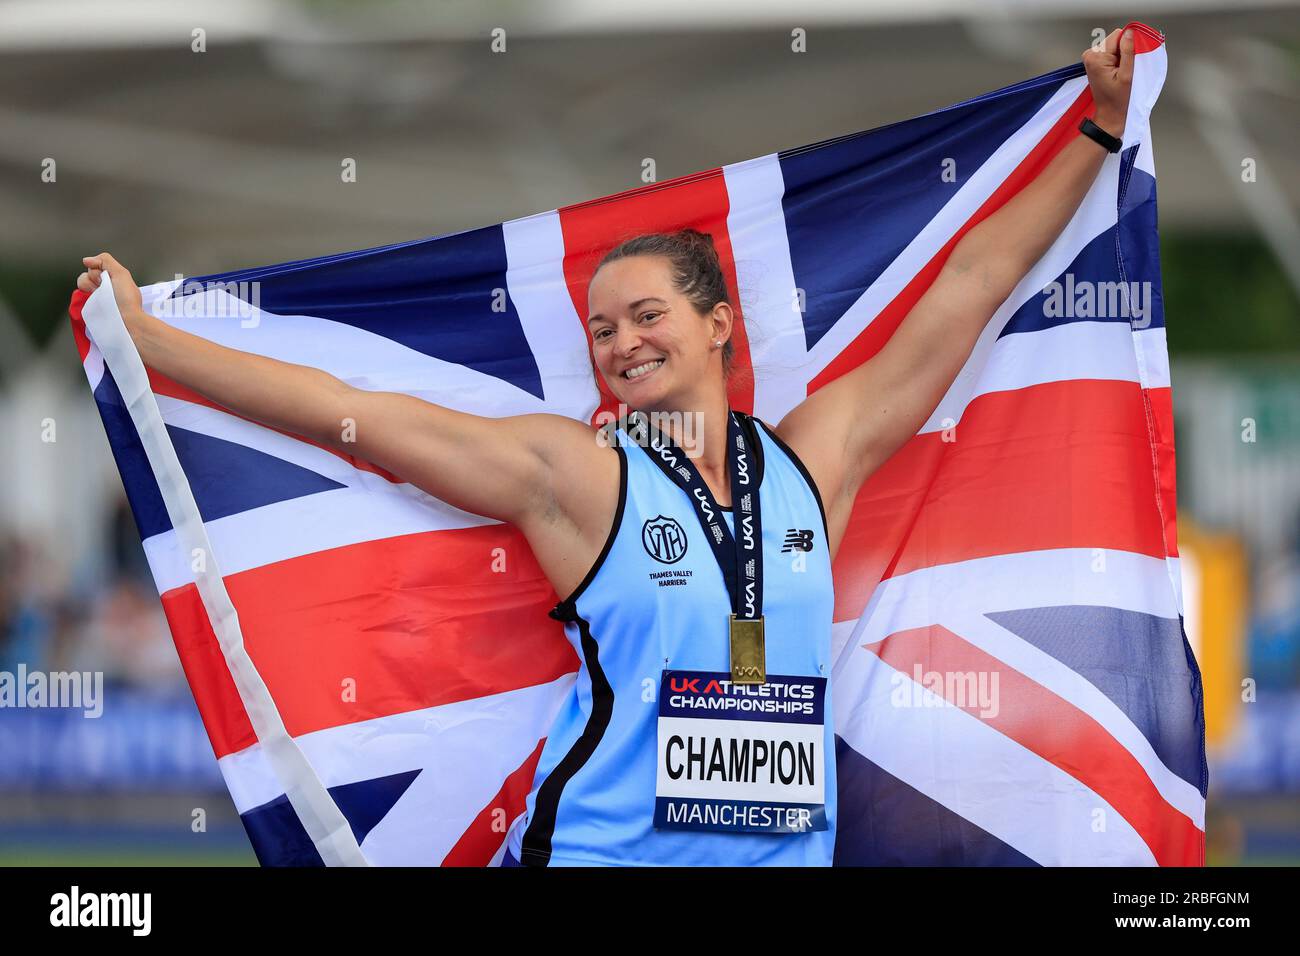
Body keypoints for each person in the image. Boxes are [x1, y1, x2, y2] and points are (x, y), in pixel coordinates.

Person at [77, 29, 1135, 866]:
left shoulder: (819, 460)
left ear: (719, 323)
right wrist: (153, 338)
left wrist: (1094, 132)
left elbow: (965, 288)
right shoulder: (577, 475)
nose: (622, 343)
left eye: (645, 315)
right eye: (600, 329)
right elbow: (352, 409)